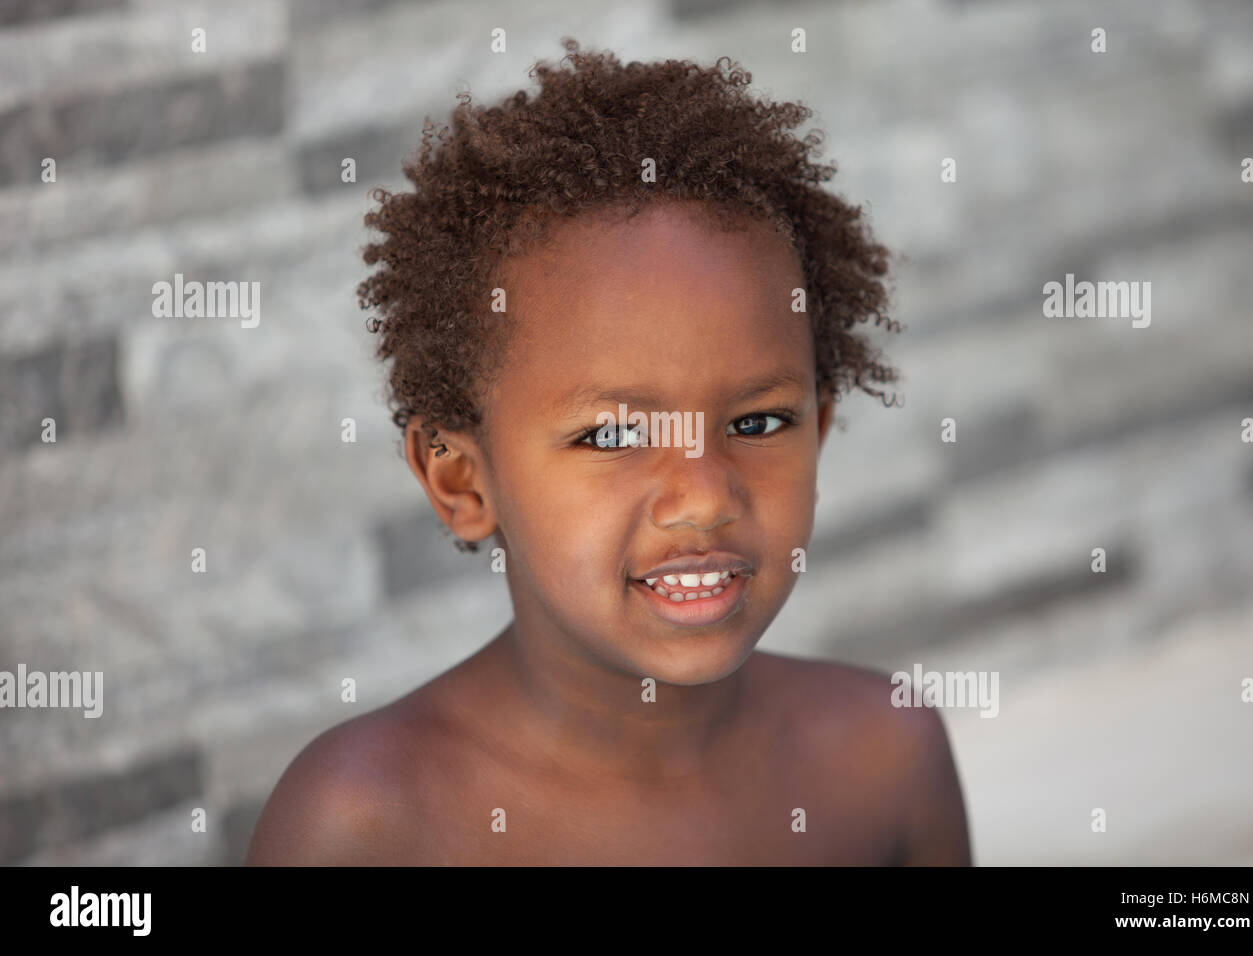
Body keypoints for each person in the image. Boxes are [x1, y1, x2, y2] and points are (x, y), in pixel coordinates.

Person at [246, 38, 970, 866]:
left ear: (823, 426)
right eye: (616, 435)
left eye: (760, 423)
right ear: (460, 478)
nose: (703, 495)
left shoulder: (885, 754)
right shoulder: (364, 822)